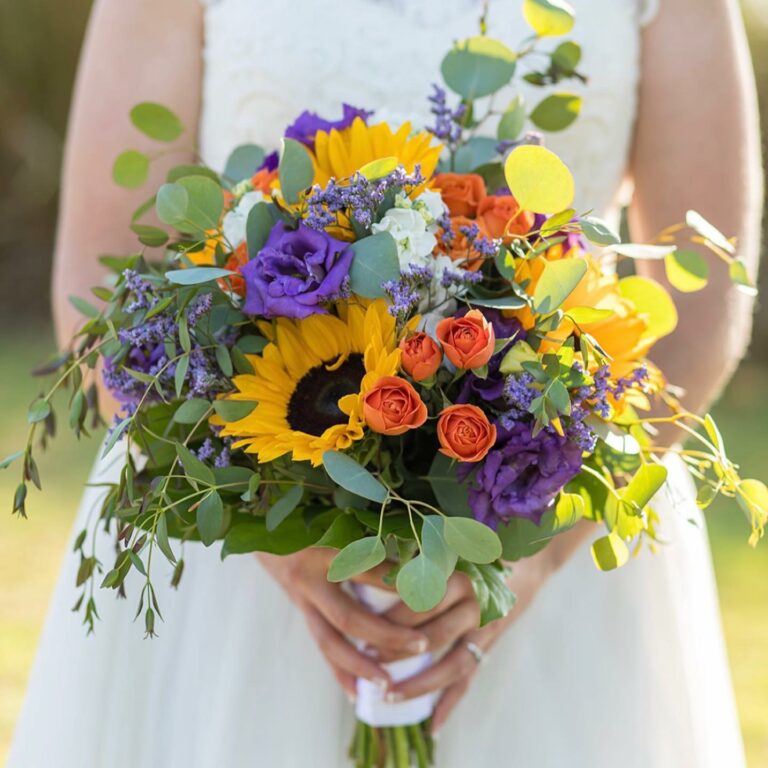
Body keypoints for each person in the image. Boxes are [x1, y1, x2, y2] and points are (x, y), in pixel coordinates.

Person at [9, 0, 762, 765]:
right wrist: (279, 536)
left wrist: (538, 554)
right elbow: (109, 283)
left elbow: (697, 311)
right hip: (239, 546)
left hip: (557, 530)